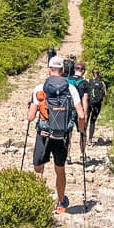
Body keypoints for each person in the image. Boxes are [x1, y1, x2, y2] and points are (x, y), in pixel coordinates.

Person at [27, 55, 85, 213]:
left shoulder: (39, 88)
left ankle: (39, 202)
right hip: (62, 136)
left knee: (39, 167)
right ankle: (61, 203)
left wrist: (33, 107)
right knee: (60, 169)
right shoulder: (71, 88)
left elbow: (31, 117)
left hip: (44, 134)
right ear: (63, 70)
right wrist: (81, 130)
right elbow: (81, 115)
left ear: (48, 70)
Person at [82, 68, 107, 143]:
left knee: (86, 119)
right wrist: (106, 101)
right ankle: (90, 139)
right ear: (99, 74)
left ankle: (84, 138)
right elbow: (105, 94)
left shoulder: (88, 81)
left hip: (89, 103)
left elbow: (85, 93)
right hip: (97, 104)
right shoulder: (102, 83)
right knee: (92, 122)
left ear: (92, 73)